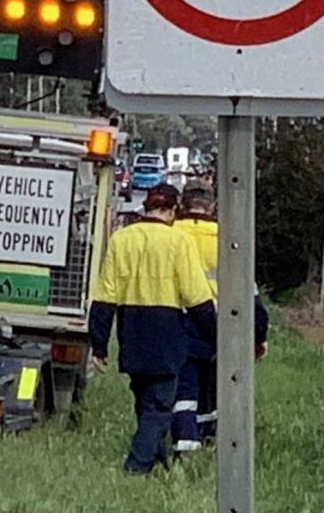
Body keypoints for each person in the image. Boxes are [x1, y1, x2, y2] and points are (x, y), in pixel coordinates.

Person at [89, 183, 216, 474]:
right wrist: (215, 337)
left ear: (146, 207)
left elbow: (105, 297)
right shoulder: (177, 242)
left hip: (131, 331)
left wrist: (99, 344)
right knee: (160, 406)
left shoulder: (121, 240)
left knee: (144, 399)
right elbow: (197, 298)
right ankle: (137, 466)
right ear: (172, 211)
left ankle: (159, 460)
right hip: (166, 333)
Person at [172, 180, 270, 450]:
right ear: (213, 206)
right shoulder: (229, 239)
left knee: (184, 388)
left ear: (182, 204)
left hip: (179, 321)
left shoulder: (172, 234)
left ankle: (185, 440)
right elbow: (249, 292)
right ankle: (208, 437)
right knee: (214, 387)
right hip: (224, 325)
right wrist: (259, 334)